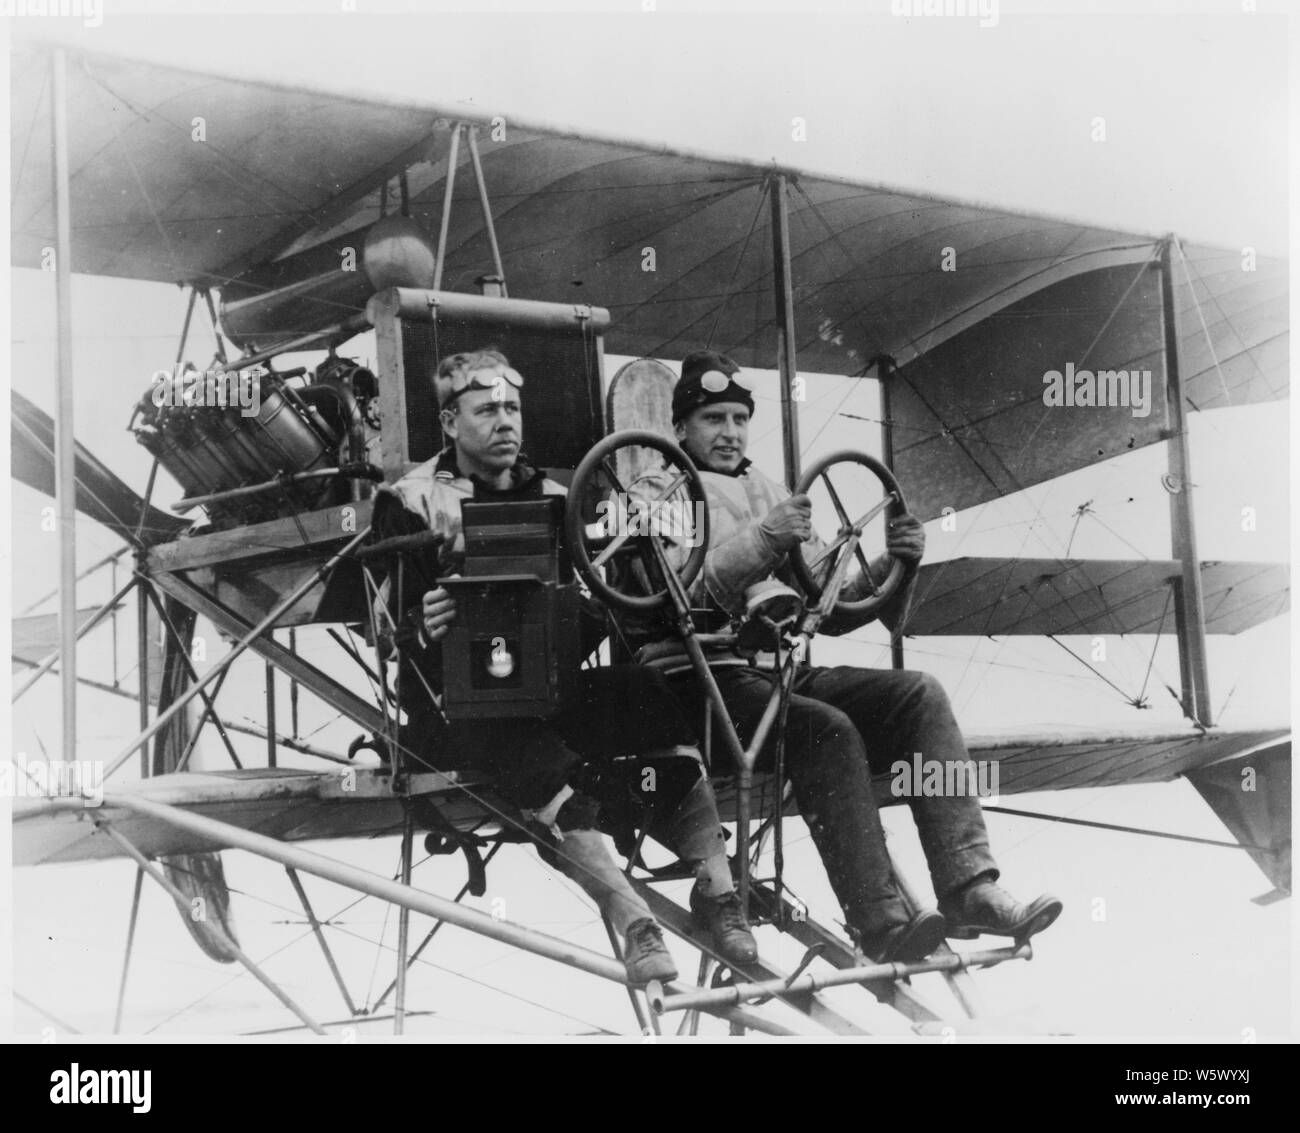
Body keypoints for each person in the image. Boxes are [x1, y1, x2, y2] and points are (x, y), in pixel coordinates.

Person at [625, 350, 1062, 964]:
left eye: (738, 419)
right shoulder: (657, 491)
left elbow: (827, 608)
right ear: (680, 429)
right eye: (712, 419)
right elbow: (679, 592)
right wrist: (767, 539)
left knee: (919, 694)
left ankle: (971, 888)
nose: (729, 433)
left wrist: (896, 566)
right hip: (696, 682)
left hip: (776, 674)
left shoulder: (767, 490)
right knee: (822, 730)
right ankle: (880, 923)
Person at [369, 348, 757, 985]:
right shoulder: (408, 501)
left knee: (647, 691)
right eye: (487, 408)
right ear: (449, 423)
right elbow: (383, 633)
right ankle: (635, 921)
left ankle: (717, 893)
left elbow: (614, 593)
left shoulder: (561, 494)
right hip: (457, 713)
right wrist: (423, 623)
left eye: (512, 408)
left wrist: (588, 602)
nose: (505, 422)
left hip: (555, 691)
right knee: (532, 753)